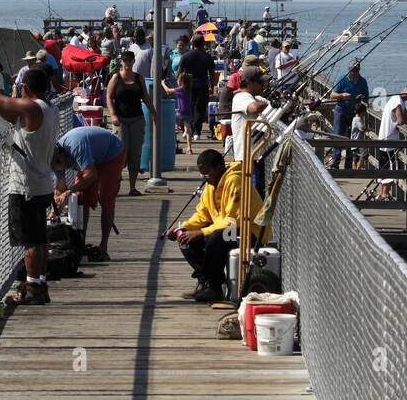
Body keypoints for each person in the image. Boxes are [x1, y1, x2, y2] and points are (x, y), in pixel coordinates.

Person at [0, 67, 57, 306]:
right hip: (43, 184)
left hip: (25, 186)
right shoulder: (50, 109)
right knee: (39, 239)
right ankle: (40, 283)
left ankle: (31, 287)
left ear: (25, 88)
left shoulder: (31, 107)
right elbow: (9, 113)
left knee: (30, 242)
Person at [165, 149, 264, 302]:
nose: (204, 178)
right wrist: (184, 228)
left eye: (206, 173)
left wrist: (201, 232)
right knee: (186, 239)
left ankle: (215, 288)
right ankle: (207, 282)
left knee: (215, 238)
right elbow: (202, 214)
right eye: (201, 174)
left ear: (219, 168)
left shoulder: (235, 181)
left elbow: (233, 221)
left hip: (248, 231)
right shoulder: (210, 185)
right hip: (227, 228)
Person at [51, 125, 125, 261]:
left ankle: (103, 247)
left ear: (62, 156)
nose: (58, 169)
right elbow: (59, 190)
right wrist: (53, 212)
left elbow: (91, 175)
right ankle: (80, 244)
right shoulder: (53, 158)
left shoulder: (75, 145)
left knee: (106, 198)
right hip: (91, 159)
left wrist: (69, 191)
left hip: (112, 153)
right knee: (82, 198)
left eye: (60, 164)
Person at [105, 49, 155, 196]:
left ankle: (132, 187)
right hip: (120, 120)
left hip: (137, 119)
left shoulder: (139, 78)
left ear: (133, 61)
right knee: (121, 154)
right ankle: (115, 186)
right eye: (125, 60)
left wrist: (154, 113)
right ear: (121, 62)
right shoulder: (116, 77)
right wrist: (113, 115)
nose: (127, 63)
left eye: (130, 60)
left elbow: (145, 97)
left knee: (135, 153)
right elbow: (108, 97)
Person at [376, 80, 407, 199]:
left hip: (384, 139)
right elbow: (401, 120)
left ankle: (382, 195)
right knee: (393, 170)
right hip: (390, 141)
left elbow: (405, 116)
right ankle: (385, 195)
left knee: (384, 168)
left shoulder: (395, 99)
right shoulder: (398, 102)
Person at [329, 60, 369, 169]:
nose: (353, 73)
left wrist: (363, 97)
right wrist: (342, 95)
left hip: (354, 112)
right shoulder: (342, 79)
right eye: (351, 71)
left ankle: (348, 166)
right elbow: (332, 95)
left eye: (355, 71)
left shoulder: (362, 81)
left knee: (352, 138)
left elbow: (367, 98)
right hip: (341, 110)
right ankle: (335, 165)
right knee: (338, 136)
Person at [178, 35, 217, 139]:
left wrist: (180, 85)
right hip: (202, 85)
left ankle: (187, 129)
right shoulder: (207, 56)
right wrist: (212, 87)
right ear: (203, 44)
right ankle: (196, 132)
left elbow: (179, 73)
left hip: (187, 86)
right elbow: (212, 74)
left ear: (193, 44)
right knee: (199, 109)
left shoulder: (185, 56)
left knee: (188, 107)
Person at [173, 72, 195, 155]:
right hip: (188, 113)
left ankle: (177, 126)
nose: (177, 81)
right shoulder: (189, 90)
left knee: (174, 115)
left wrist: (162, 83)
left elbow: (168, 90)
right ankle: (189, 149)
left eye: (178, 80)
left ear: (181, 81)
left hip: (180, 112)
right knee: (188, 130)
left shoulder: (179, 90)